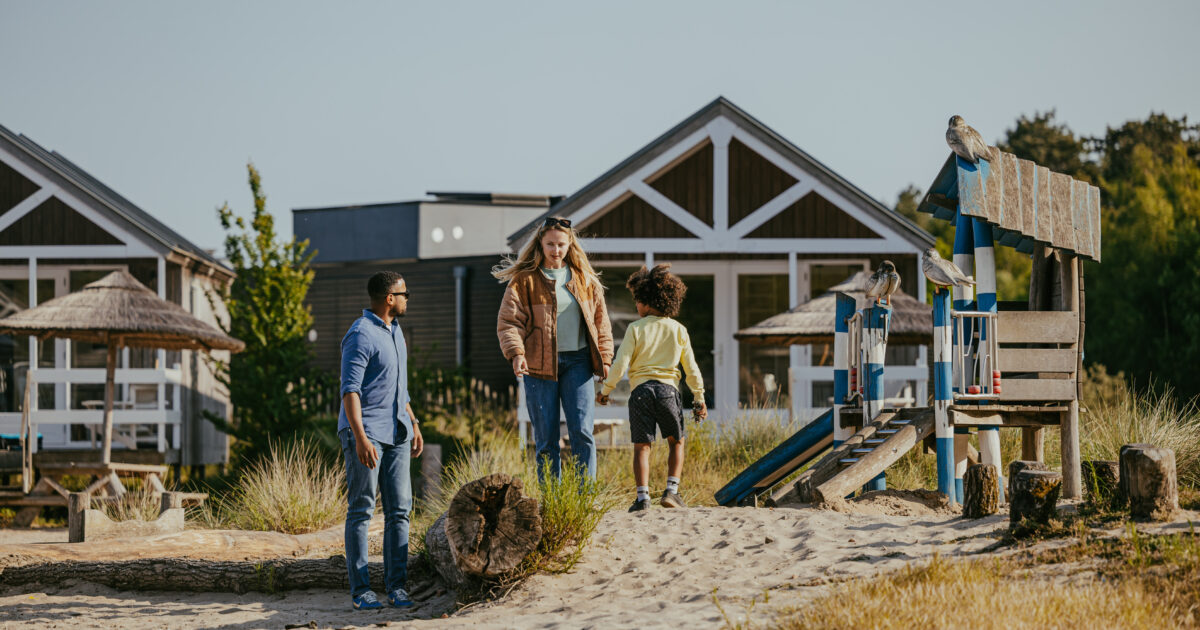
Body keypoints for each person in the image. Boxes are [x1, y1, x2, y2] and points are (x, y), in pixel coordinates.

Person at [495, 216, 614, 481]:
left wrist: (605, 358)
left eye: (561, 244)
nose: (556, 250)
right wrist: (516, 354)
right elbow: (509, 322)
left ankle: (585, 495)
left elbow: (601, 322)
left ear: (570, 244)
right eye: (550, 244)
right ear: (541, 243)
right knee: (546, 437)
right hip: (538, 366)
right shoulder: (524, 281)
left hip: (579, 363)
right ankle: (551, 497)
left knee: (582, 433)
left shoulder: (584, 279)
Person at [338, 271, 425, 610]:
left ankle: (397, 587)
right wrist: (360, 438)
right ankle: (361, 591)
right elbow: (350, 391)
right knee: (361, 510)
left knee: (400, 510)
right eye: (404, 294)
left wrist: (413, 422)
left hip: (398, 432)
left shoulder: (395, 331)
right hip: (367, 434)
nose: (407, 299)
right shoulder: (360, 334)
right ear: (390, 298)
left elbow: (398, 386)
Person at [597, 264, 706, 512]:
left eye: (637, 300)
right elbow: (691, 368)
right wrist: (699, 398)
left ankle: (642, 498)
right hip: (668, 392)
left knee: (641, 446)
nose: (636, 306)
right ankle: (672, 492)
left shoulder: (635, 328)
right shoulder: (678, 329)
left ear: (646, 302)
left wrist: (606, 391)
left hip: (641, 393)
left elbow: (620, 364)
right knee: (676, 442)